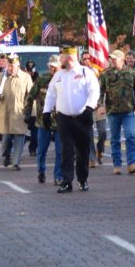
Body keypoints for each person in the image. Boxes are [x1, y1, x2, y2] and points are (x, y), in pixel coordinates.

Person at [43, 46, 100, 193]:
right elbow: (51, 94)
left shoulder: (85, 72)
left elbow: (94, 91)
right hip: (64, 118)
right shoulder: (59, 75)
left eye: (61, 57)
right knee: (66, 150)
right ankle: (67, 181)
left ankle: (82, 179)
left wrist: (89, 108)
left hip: (82, 117)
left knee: (83, 150)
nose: (59, 60)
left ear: (69, 58)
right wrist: (46, 112)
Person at [100, 50, 135, 175]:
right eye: (111, 59)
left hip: (128, 110)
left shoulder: (131, 72)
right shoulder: (105, 74)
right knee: (115, 139)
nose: (112, 60)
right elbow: (100, 91)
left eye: (115, 58)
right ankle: (117, 164)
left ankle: (132, 164)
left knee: (130, 136)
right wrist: (100, 106)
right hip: (112, 111)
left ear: (122, 59)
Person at [25, 55, 63, 185]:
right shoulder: (42, 79)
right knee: (41, 150)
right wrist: (28, 113)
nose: (52, 69)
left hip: (60, 122)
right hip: (43, 121)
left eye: (55, 66)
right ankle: (41, 171)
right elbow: (30, 97)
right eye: (50, 66)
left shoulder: (65, 80)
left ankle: (58, 176)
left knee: (60, 151)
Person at [0, 54, 33, 170]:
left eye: (13, 67)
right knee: (7, 138)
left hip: (19, 113)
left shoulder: (25, 77)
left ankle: (16, 162)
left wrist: (31, 112)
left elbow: (31, 96)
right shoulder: (0, 77)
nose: (11, 69)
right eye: (9, 66)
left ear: (18, 65)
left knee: (20, 137)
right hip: (5, 113)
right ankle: (6, 155)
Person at [83, 51, 107, 167]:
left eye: (88, 58)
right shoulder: (79, 72)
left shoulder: (99, 71)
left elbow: (104, 88)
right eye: (84, 59)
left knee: (102, 131)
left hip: (99, 106)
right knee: (89, 133)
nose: (87, 60)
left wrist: (102, 105)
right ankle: (91, 158)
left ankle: (99, 151)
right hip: (86, 107)